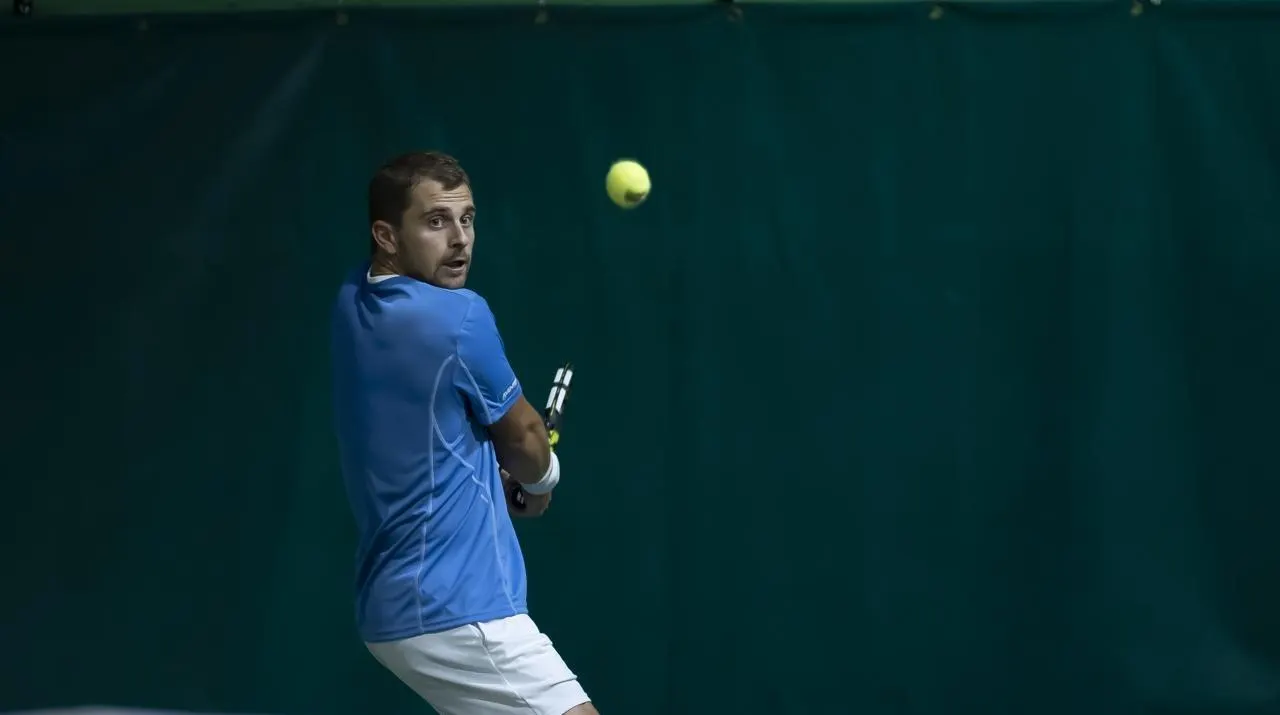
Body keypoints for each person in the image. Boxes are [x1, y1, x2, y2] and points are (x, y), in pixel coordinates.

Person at [330, 151, 597, 715]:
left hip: (389, 608)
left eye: (468, 219)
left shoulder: (352, 299)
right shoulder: (457, 317)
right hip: (459, 608)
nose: (460, 240)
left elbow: (438, 427)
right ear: (387, 235)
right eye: (436, 222)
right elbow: (525, 436)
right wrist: (543, 479)